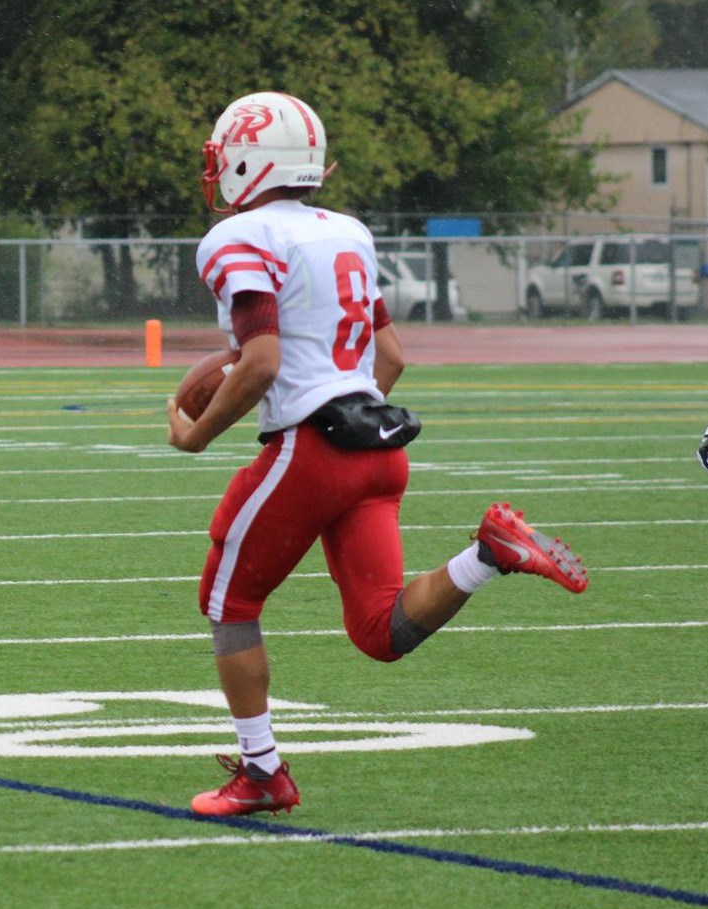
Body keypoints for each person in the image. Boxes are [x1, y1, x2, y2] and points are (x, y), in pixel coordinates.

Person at [167, 91, 588, 816]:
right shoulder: (348, 232)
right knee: (381, 631)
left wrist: (194, 434)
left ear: (244, 159)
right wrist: (344, 407)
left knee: (227, 601)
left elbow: (261, 360)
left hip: (310, 451)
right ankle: (487, 553)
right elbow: (389, 355)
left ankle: (262, 772)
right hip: (378, 448)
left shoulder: (238, 236)